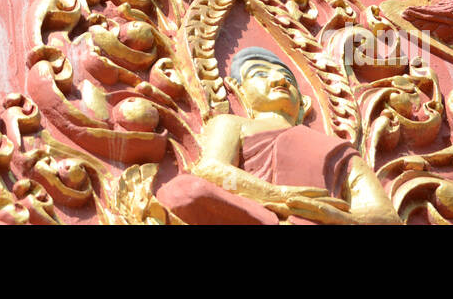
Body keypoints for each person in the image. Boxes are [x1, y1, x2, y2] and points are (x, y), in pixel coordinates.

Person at [157, 47, 400, 224]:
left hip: (320, 221)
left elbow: (386, 217)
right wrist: (280, 196)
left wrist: (336, 217)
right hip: (257, 212)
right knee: (183, 191)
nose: (279, 80)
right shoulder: (231, 124)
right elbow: (211, 170)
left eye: (288, 80)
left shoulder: (339, 149)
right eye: (260, 74)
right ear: (240, 91)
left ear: (304, 102)